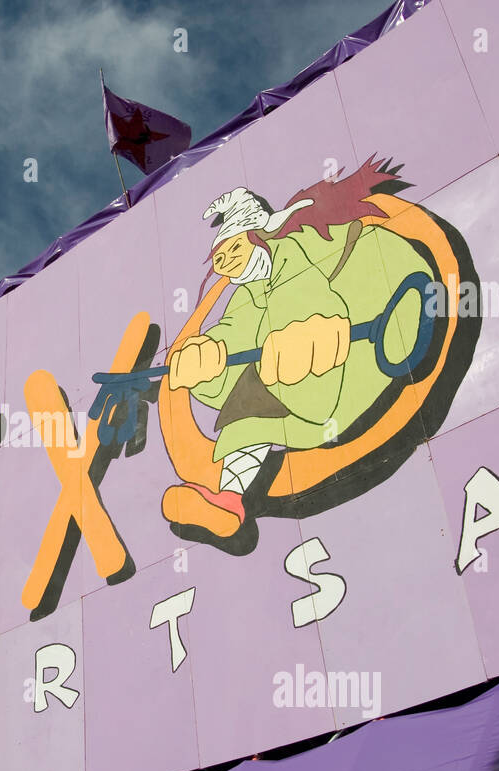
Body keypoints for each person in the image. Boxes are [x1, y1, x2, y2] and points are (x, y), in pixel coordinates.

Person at [165, 158, 432, 527]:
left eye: (231, 249)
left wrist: (310, 328)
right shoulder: (249, 292)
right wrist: (207, 360)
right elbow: (234, 331)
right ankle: (228, 500)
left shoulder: (302, 248)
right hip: (302, 395)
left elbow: (311, 293)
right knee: (245, 409)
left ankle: (231, 498)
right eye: (220, 258)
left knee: (262, 397)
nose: (224, 263)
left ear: (259, 234)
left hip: (372, 352)